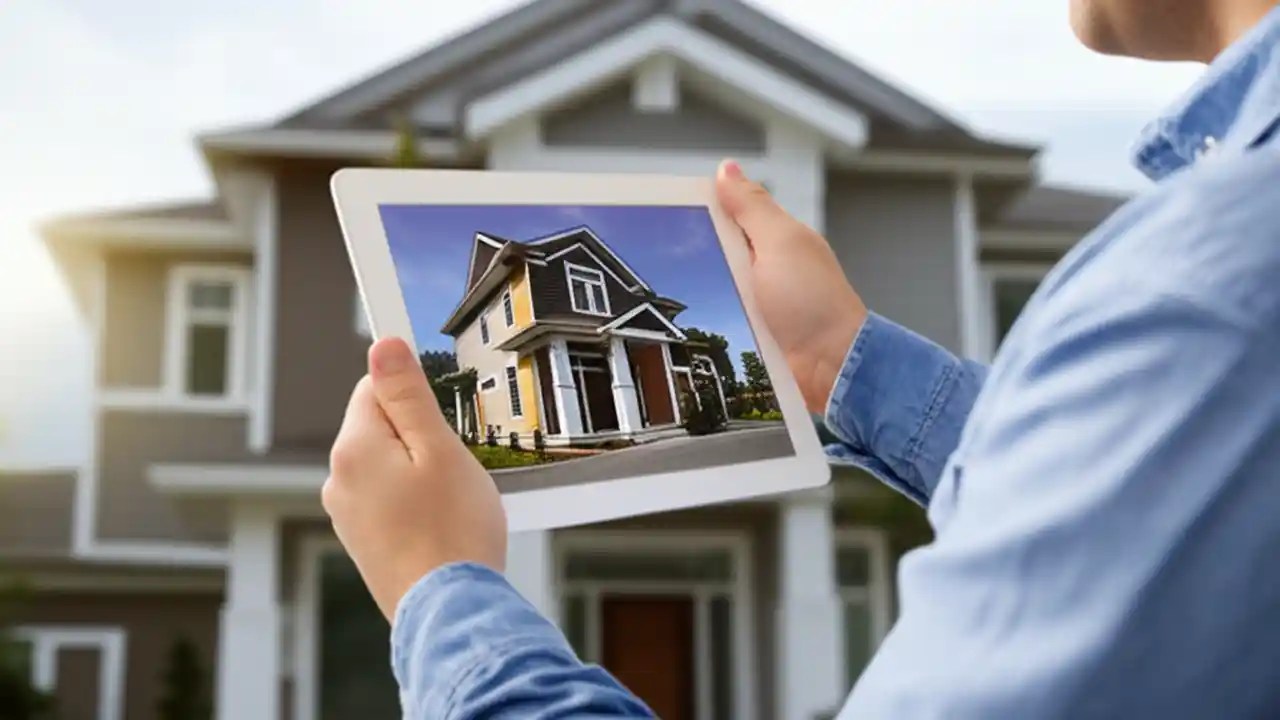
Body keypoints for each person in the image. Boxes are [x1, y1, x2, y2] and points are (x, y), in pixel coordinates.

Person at [321, 0, 1280, 716]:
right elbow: (1132, 500)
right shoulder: (1221, 285)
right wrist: (837, 361)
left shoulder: (1210, 280)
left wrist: (440, 588)